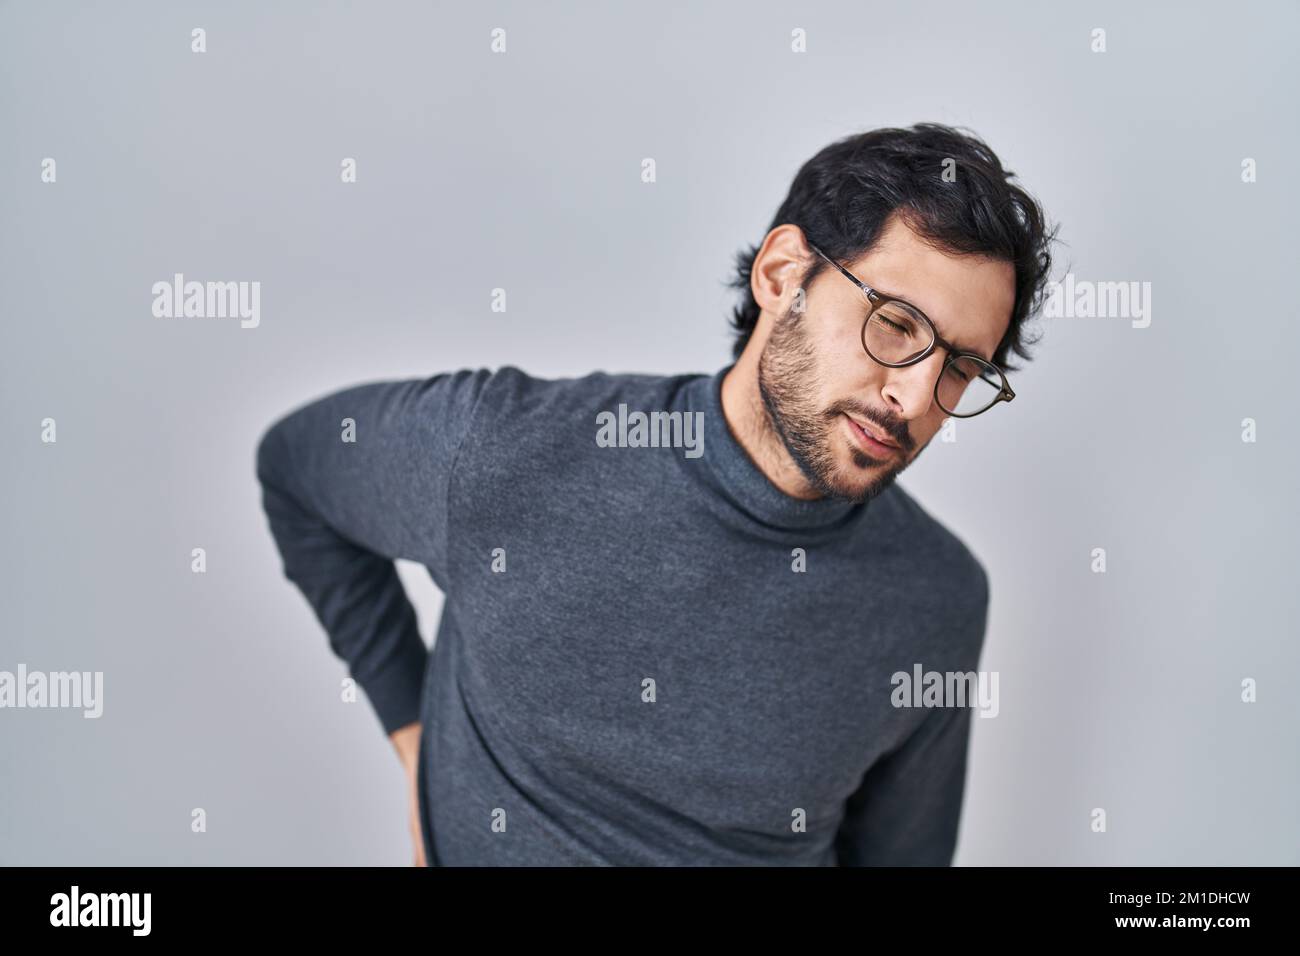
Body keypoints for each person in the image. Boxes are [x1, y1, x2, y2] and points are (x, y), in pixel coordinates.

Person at [256, 122, 1056, 866]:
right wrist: (411, 732)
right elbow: (295, 472)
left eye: (960, 366)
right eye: (896, 324)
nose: (917, 399)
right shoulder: (501, 450)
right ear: (783, 275)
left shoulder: (934, 599)